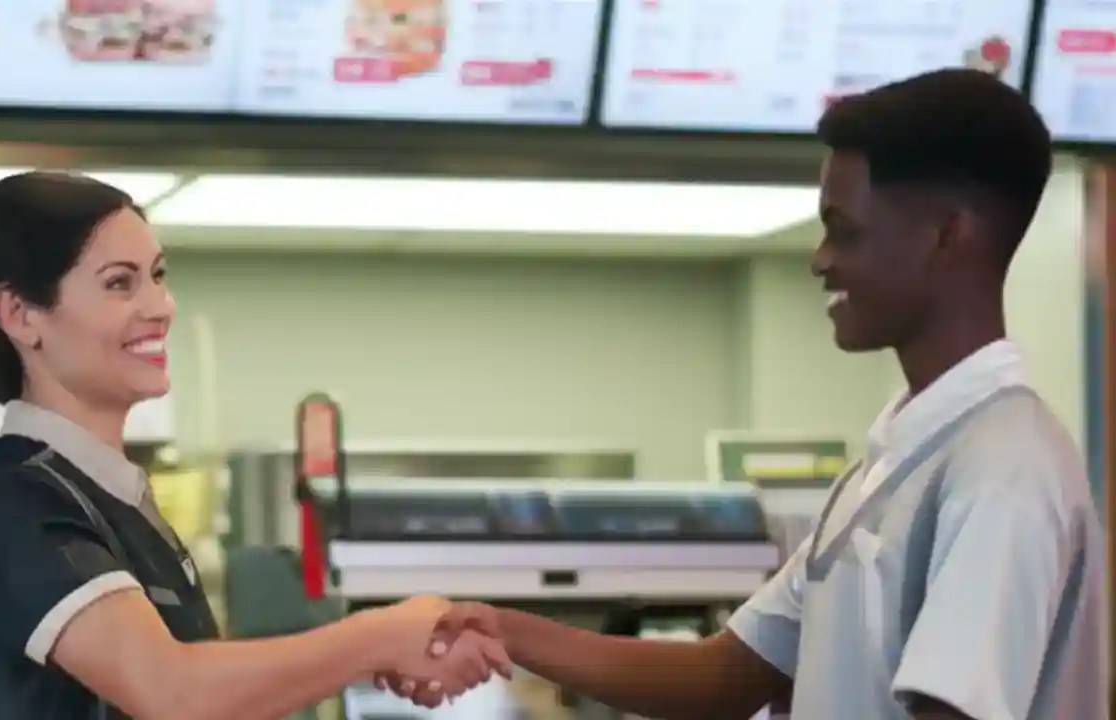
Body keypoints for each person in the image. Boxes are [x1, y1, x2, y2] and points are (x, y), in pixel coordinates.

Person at [381, 68, 1109, 719]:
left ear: (946, 236)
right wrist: (504, 630)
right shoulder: (890, 463)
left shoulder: (1003, 471)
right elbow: (724, 677)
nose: (820, 261)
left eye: (843, 232)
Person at [0, 171, 510, 720]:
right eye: (119, 283)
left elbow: (203, 692)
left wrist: (378, 654)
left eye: (157, 276)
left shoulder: (110, 496)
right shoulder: (11, 501)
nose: (161, 307)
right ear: (20, 315)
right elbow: (175, 693)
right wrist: (377, 637)